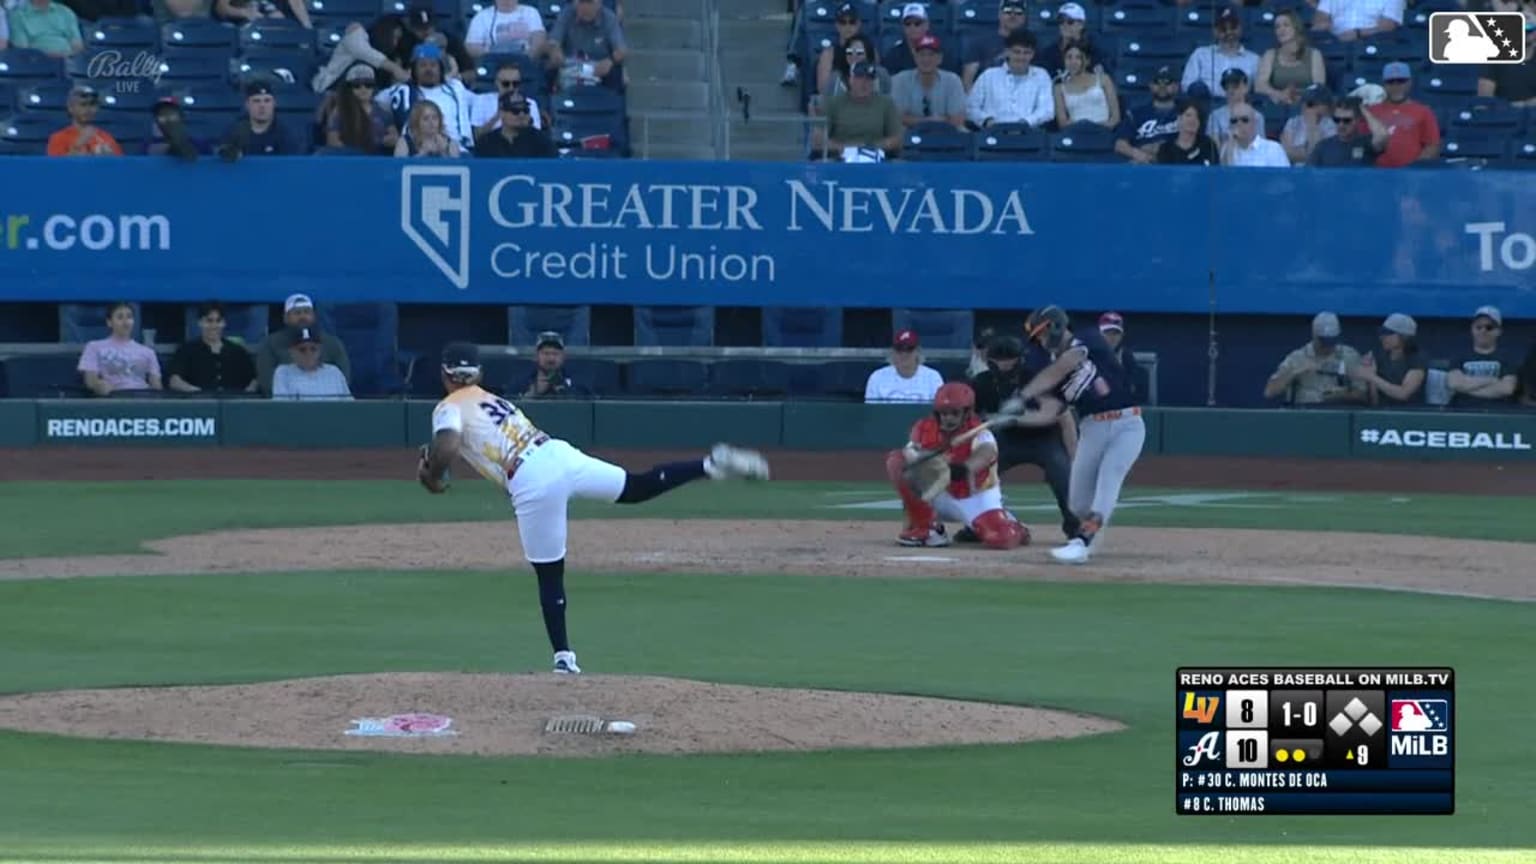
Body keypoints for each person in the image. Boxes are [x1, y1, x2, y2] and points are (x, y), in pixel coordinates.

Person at [417, 342, 770, 675]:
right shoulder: (488, 397)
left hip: (531, 479)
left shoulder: (448, 407)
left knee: (549, 573)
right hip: (557, 452)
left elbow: (447, 445)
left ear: (445, 374)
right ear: (477, 374)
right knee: (635, 487)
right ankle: (710, 464)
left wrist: (431, 476)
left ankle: (564, 659)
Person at [1012, 305, 1146, 566]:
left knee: (1110, 477)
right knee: (1077, 503)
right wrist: (1015, 418)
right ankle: (1092, 534)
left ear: (1055, 326)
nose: (1041, 341)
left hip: (1126, 425)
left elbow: (1064, 366)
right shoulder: (1052, 369)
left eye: (1042, 333)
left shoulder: (1087, 339)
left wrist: (1024, 394)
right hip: (1092, 428)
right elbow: (1051, 410)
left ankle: (1081, 542)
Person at [881, 382, 1029, 550]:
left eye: (954, 413)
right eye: (943, 413)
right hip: (939, 492)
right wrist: (931, 461)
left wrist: (964, 468)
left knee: (1001, 539)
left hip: (975, 495)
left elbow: (985, 453)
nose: (948, 418)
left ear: (966, 413)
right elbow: (910, 454)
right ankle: (928, 529)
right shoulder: (923, 428)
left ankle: (1011, 525)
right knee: (897, 461)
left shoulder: (981, 432)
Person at [962, 334, 1079, 543]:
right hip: (1005, 440)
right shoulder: (981, 383)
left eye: (1011, 359)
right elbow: (971, 419)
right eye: (1000, 359)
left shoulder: (1037, 379)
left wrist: (1074, 456)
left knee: (1062, 473)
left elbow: (1063, 416)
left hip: (1045, 438)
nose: (1005, 365)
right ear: (990, 361)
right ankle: (978, 523)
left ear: (1020, 359)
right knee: (978, 471)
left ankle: (1075, 526)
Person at [77, 302, 162, 396]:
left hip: (141, 398)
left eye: (129, 317)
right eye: (120, 317)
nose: (126, 322)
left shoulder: (148, 352)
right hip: (113, 398)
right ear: (109, 322)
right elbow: (90, 381)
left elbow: (156, 386)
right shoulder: (94, 347)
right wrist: (100, 386)